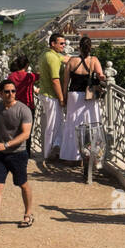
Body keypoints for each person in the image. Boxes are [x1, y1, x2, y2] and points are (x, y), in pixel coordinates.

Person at [0, 79, 34, 234]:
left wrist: (7, 145)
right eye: (7, 91)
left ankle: (28, 214)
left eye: (13, 91)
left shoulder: (23, 110)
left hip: (17, 154)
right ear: (0, 93)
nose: (11, 94)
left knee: (23, 184)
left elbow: (26, 134)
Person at [59, 36, 104, 163]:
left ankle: (72, 155)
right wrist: (101, 76)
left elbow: (66, 82)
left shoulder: (72, 61)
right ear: (90, 48)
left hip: (74, 94)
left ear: (79, 47)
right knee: (91, 122)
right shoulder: (93, 60)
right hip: (88, 95)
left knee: (73, 123)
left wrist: (64, 97)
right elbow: (101, 76)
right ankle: (91, 154)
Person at [38, 31, 67, 161]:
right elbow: (55, 80)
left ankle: (54, 149)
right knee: (53, 125)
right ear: (53, 43)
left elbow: (65, 58)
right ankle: (49, 153)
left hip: (46, 93)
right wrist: (61, 98)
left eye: (64, 43)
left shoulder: (47, 53)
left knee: (56, 124)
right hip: (51, 95)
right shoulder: (53, 58)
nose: (63, 46)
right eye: (61, 43)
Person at [8, 54, 38, 158]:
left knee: (16, 129)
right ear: (26, 65)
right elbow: (41, 75)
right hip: (28, 106)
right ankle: (27, 152)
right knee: (27, 131)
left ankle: (15, 150)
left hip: (15, 106)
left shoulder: (11, 76)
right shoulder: (30, 76)